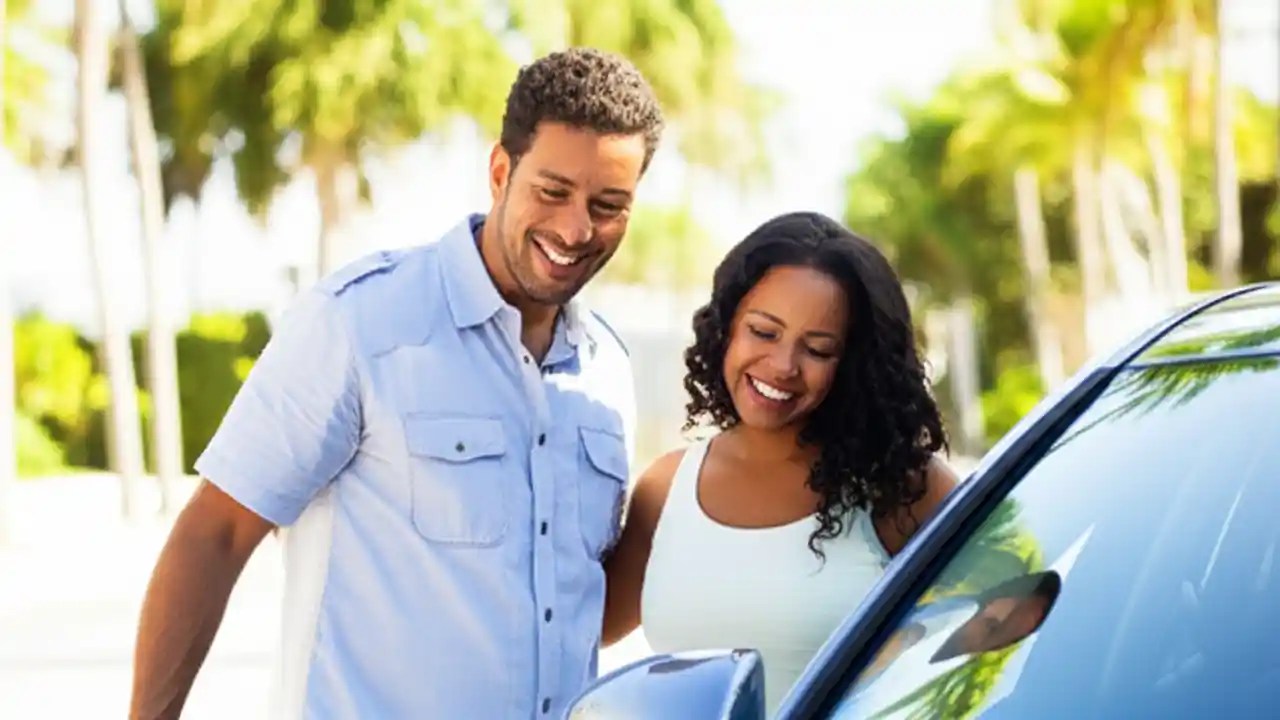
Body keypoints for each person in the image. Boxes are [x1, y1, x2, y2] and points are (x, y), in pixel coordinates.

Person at [129, 47, 665, 720]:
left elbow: (578, 605)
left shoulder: (606, 370)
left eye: (608, 204)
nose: (575, 228)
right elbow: (216, 533)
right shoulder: (361, 321)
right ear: (501, 171)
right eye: (552, 192)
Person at [601, 211, 961, 717]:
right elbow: (574, 629)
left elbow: (1017, 624)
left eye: (817, 349)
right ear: (727, 326)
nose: (783, 366)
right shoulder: (666, 489)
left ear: (852, 362)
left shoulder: (899, 488)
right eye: (764, 332)